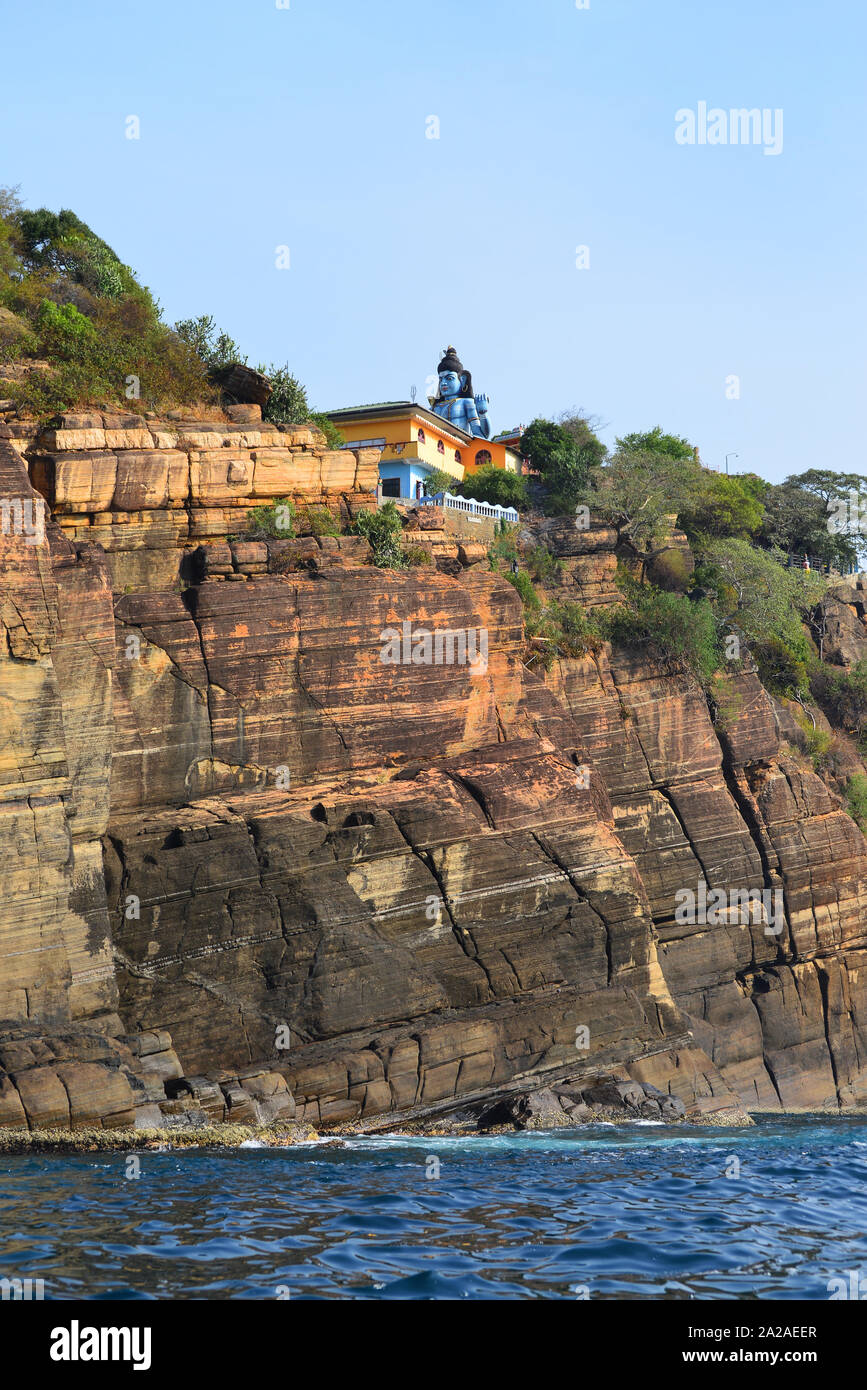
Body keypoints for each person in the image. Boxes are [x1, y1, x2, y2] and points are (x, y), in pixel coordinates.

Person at [431, 346, 492, 439]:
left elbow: (483, 435)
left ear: (462, 380)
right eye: (441, 379)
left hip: (460, 447)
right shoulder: (434, 408)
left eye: (449, 378)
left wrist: (482, 412)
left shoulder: (466, 403)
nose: (443, 383)